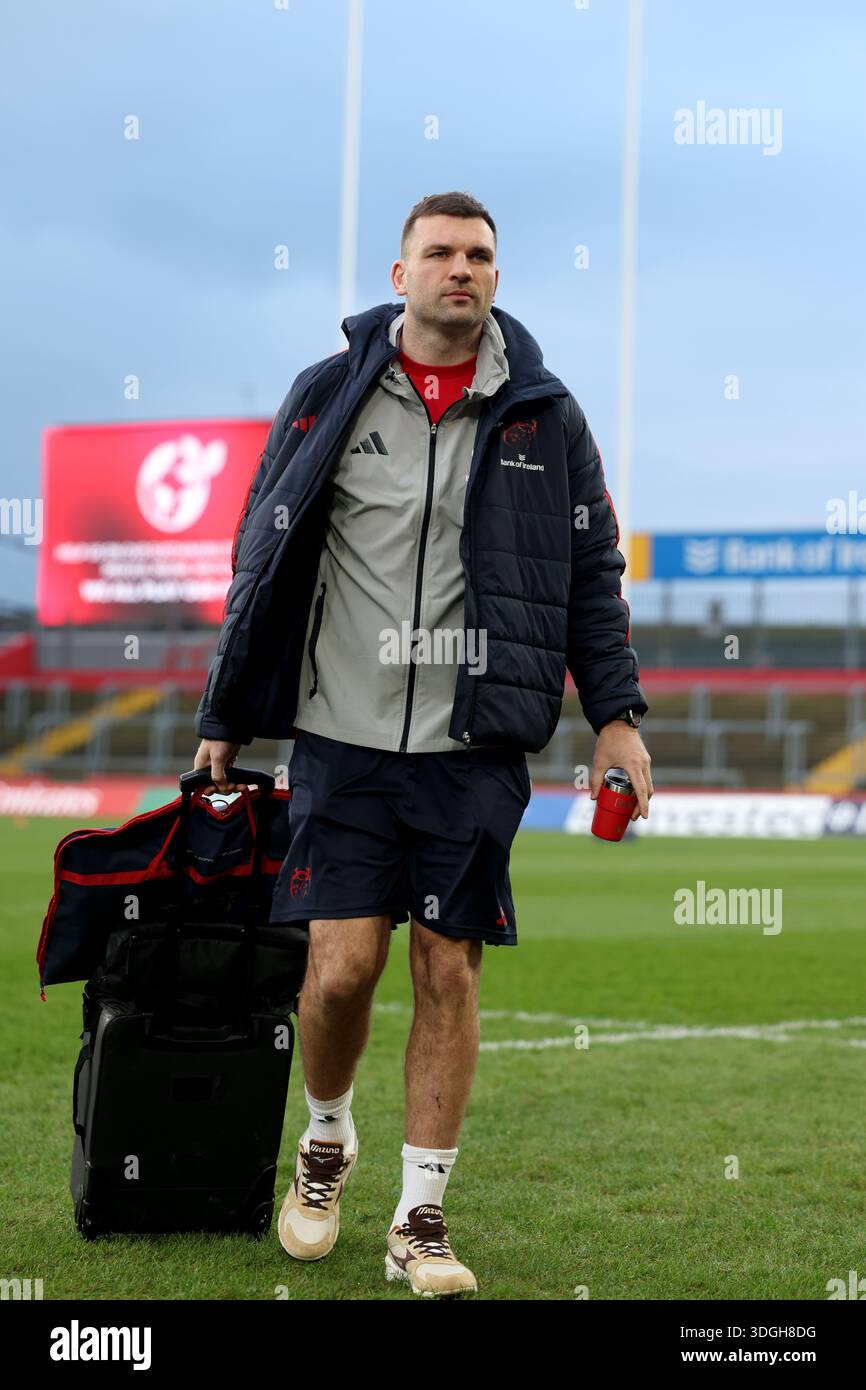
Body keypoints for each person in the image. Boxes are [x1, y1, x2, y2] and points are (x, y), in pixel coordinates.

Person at [194, 190, 652, 1298]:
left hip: (474, 743)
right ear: (398, 273)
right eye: (439, 253)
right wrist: (224, 715)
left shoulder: (548, 416)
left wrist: (617, 719)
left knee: (446, 967)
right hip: (342, 738)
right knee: (339, 971)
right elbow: (262, 553)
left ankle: (420, 1215)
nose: (461, 268)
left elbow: (588, 580)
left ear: (497, 277)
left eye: (480, 255)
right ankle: (326, 1138)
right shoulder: (327, 395)